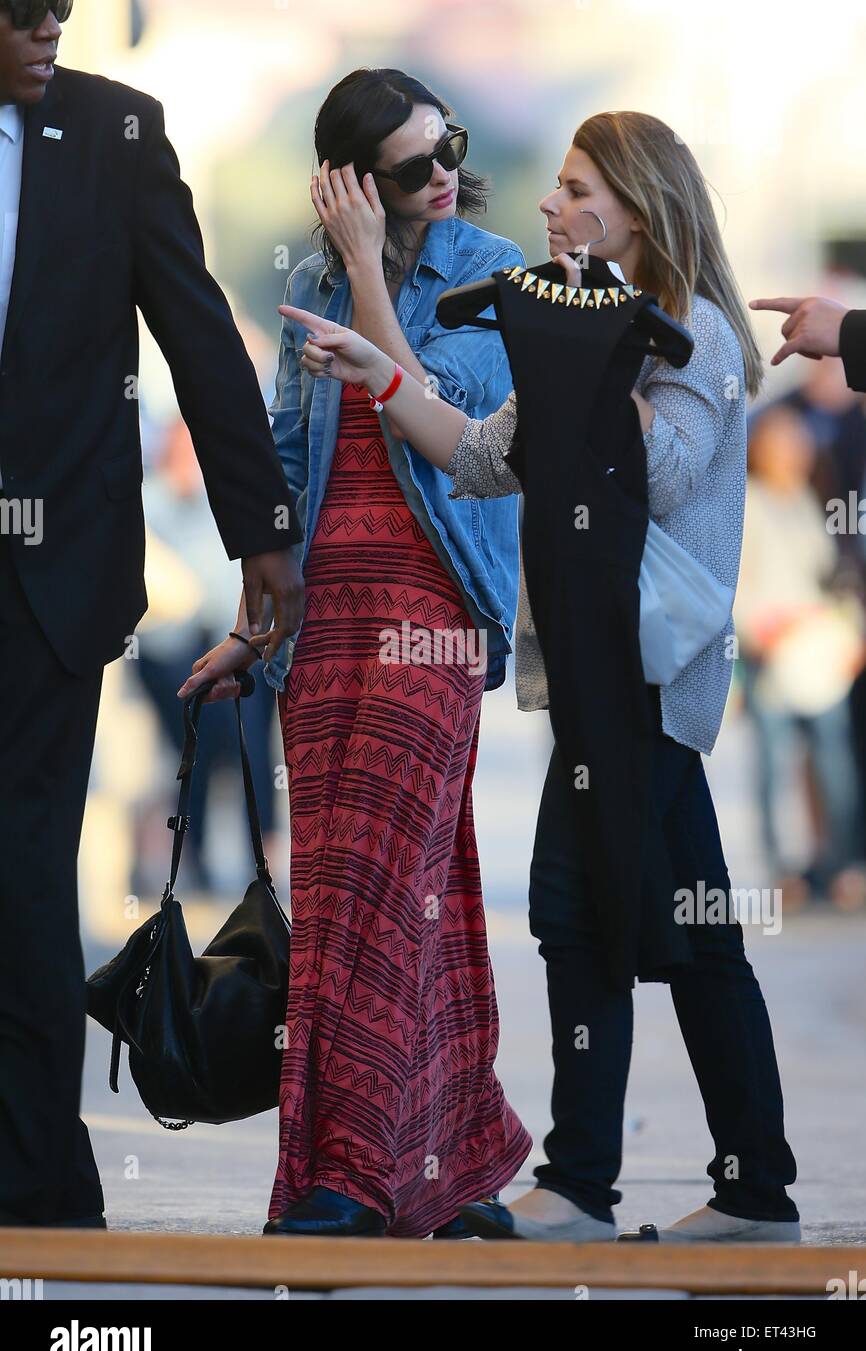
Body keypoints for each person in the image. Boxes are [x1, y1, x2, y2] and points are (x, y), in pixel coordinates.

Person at [277, 110, 802, 1244]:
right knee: (616, 918)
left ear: (632, 203)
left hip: (651, 682)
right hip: (589, 680)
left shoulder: (696, 334)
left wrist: (594, 351)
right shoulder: (579, 326)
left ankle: (611, 1186)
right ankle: (698, 1184)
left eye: (571, 189)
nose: (546, 207)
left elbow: (659, 478)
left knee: (631, 917)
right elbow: (475, 455)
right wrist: (380, 370)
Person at [181, 69, 531, 1238]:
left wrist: (376, 274)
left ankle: (349, 1175)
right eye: (404, 168)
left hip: (431, 608)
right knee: (361, 891)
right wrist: (252, 623)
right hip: (325, 618)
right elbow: (285, 462)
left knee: (391, 876)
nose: (436, 177)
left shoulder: (486, 268)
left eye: (448, 151)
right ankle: (459, 1162)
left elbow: (452, 426)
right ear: (347, 185)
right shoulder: (308, 282)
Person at [0, 4, 304, 1229]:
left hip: (52, 582)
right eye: (22, 9)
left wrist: (263, 530)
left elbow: (196, 332)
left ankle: (38, 1184)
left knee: (25, 879)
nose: (47, 27)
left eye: (60, 11)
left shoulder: (119, 133)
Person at [735, 405, 865, 907]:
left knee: (835, 767)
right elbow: (737, 583)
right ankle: (780, 868)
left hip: (819, 660)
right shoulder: (750, 504)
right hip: (772, 658)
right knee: (772, 766)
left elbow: (836, 580)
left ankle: (837, 865)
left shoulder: (813, 504)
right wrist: (757, 629)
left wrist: (850, 634)